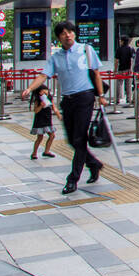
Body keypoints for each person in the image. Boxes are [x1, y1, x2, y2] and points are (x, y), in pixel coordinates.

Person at [21, 21, 104, 195]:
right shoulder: (56, 58)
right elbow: (43, 75)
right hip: (68, 100)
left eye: (70, 32)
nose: (68, 35)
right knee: (72, 140)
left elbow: (96, 73)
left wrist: (101, 96)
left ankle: (72, 179)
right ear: (59, 37)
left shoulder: (86, 50)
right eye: (64, 33)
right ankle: (93, 163)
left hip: (85, 97)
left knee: (79, 139)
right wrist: (30, 88)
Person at [28, 86, 59, 160]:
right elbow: (35, 111)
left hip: (48, 119)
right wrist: (41, 106)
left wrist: (58, 114)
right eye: (43, 91)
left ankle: (46, 151)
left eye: (46, 90)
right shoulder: (38, 100)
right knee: (40, 137)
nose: (45, 92)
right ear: (39, 92)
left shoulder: (50, 98)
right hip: (40, 120)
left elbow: (53, 107)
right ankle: (34, 153)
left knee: (52, 135)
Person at [115, 36, 134, 104]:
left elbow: (117, 60)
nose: (120, 42)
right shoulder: (131, 49)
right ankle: (128, 99)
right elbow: (131, 59)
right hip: (128, 69)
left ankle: (117, 99)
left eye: (120, 40)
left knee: (119, 84)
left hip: (120, 69)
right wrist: (131, 68)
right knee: (128, 85)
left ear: (123, 41)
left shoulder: (118, 49)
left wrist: (115, 69)